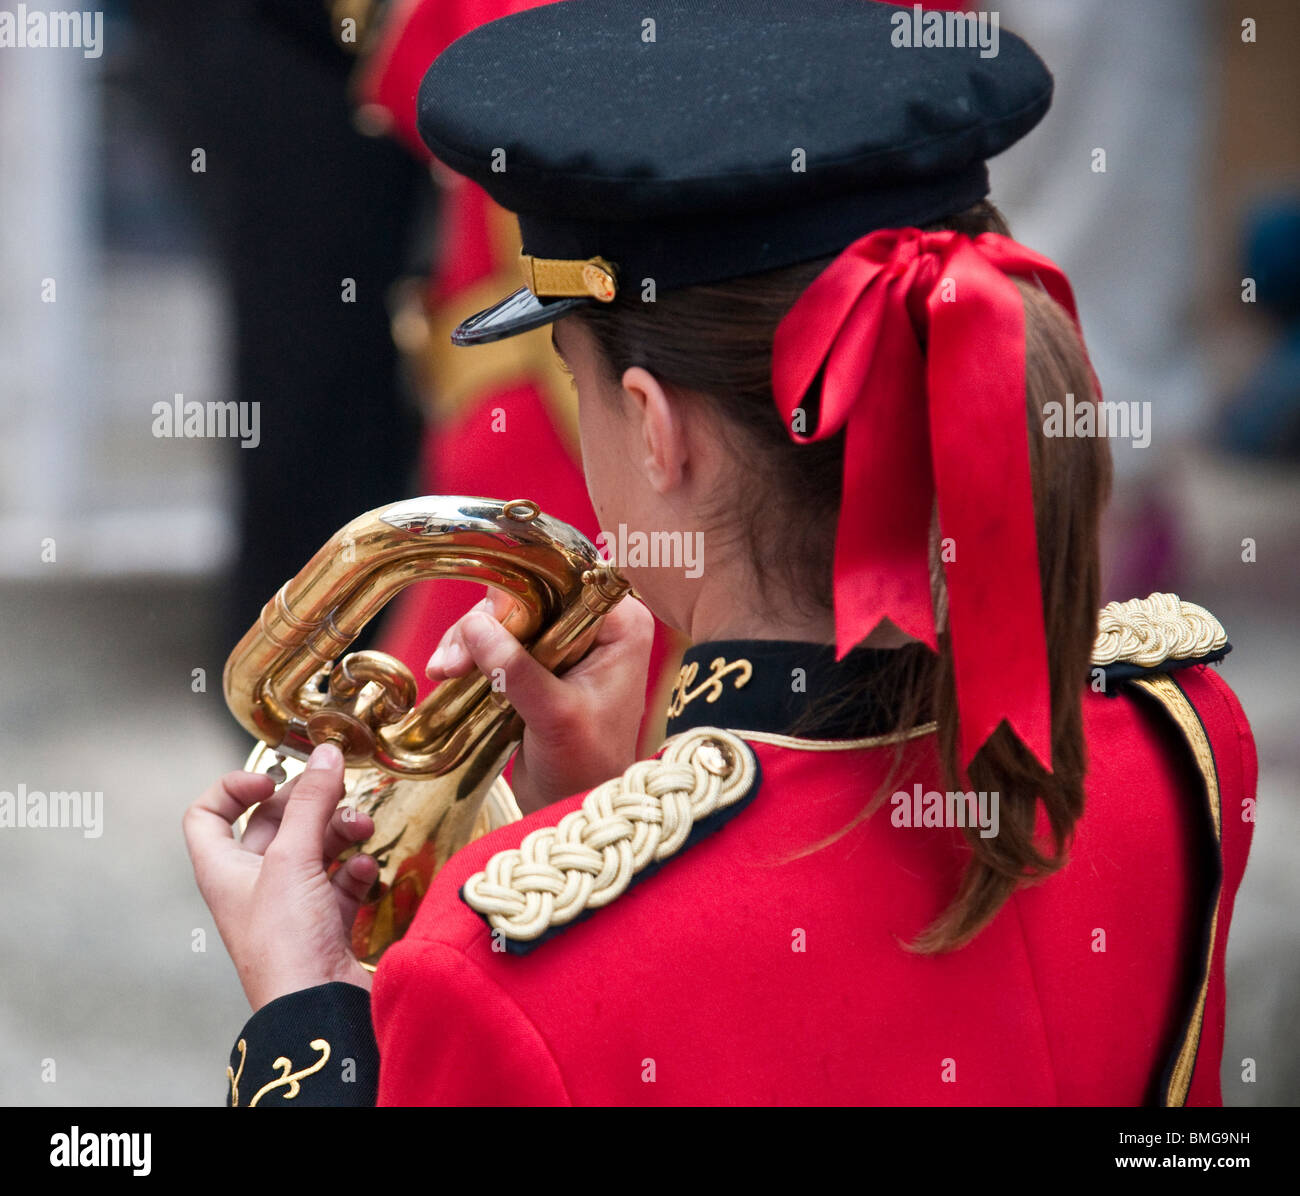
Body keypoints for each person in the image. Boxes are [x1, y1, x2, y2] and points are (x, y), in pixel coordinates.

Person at [184, 0, 1256, 1107]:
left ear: (653, 426)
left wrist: (305, 1016)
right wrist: (596, 819)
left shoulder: (484, 973)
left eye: (570, 364)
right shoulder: (1184, 734)